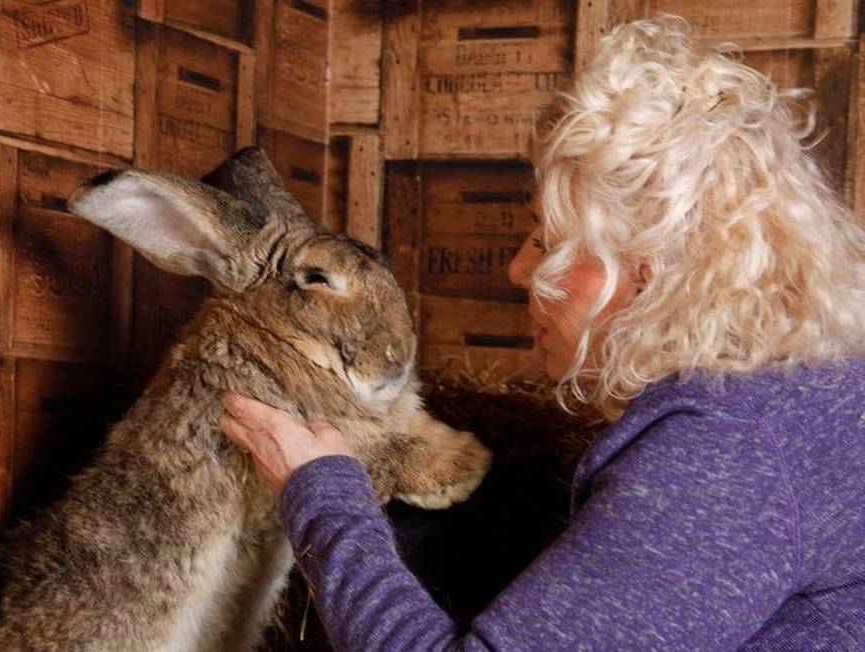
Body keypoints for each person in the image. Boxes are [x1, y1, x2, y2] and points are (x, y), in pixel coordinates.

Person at [219, 16, 865, 651]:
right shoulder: (818, 388)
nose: (519, 268)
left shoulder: (726, 452)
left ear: (651, 269)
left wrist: (321, 492)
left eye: (550, 241)